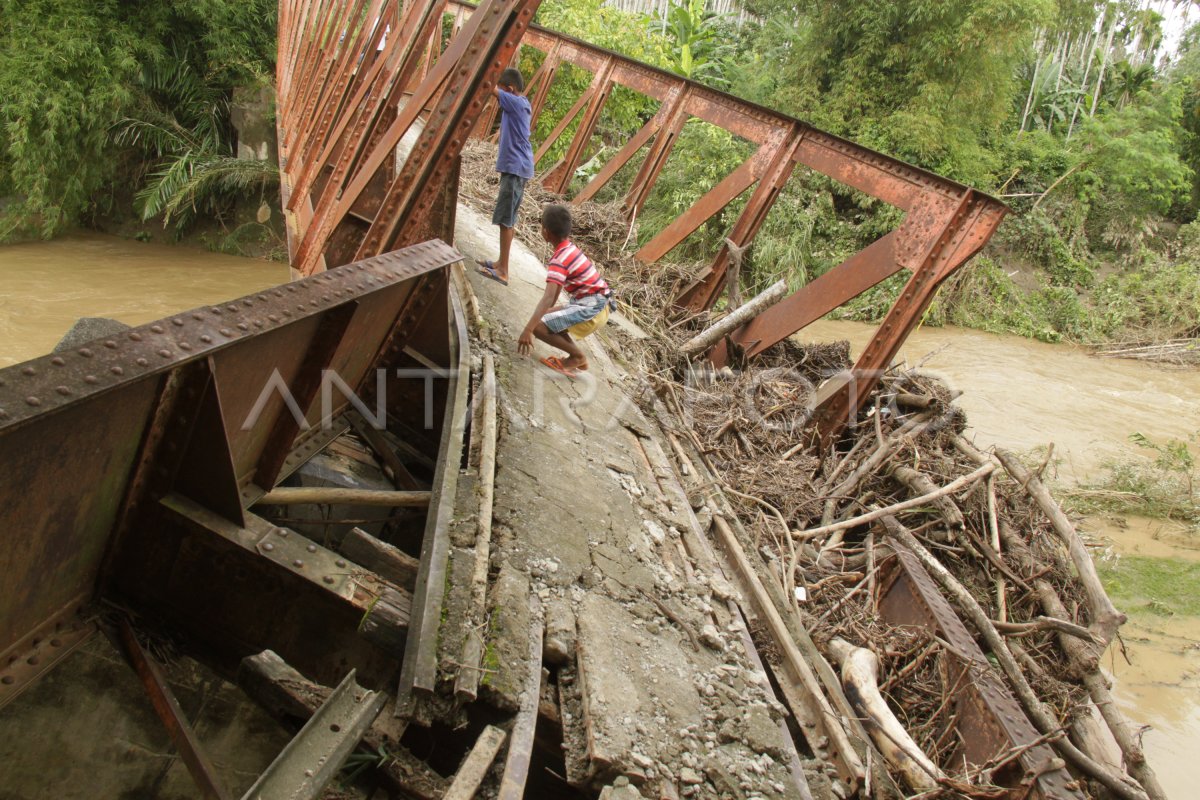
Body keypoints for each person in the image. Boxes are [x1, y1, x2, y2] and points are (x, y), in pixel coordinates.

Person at [517, 204, 614, 376]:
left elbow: (547, 298)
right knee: (546, 318)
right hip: (598, 304)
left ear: (545, 232)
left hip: (593, 307)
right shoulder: (569, 249)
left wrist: (528, 329)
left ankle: (577, 357)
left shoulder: (559, 260)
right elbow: (552, 298)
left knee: (539, 327)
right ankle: (575, 356)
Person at [477, 67, 534, 286]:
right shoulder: (519, 103)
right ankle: (501, 262)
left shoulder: (516, 102)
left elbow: (490, 88)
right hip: (517, 168)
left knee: (506, 220)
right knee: (506, 220)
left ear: (510, 90)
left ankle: (504, 271)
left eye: (504, 91)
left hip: (515, 169)